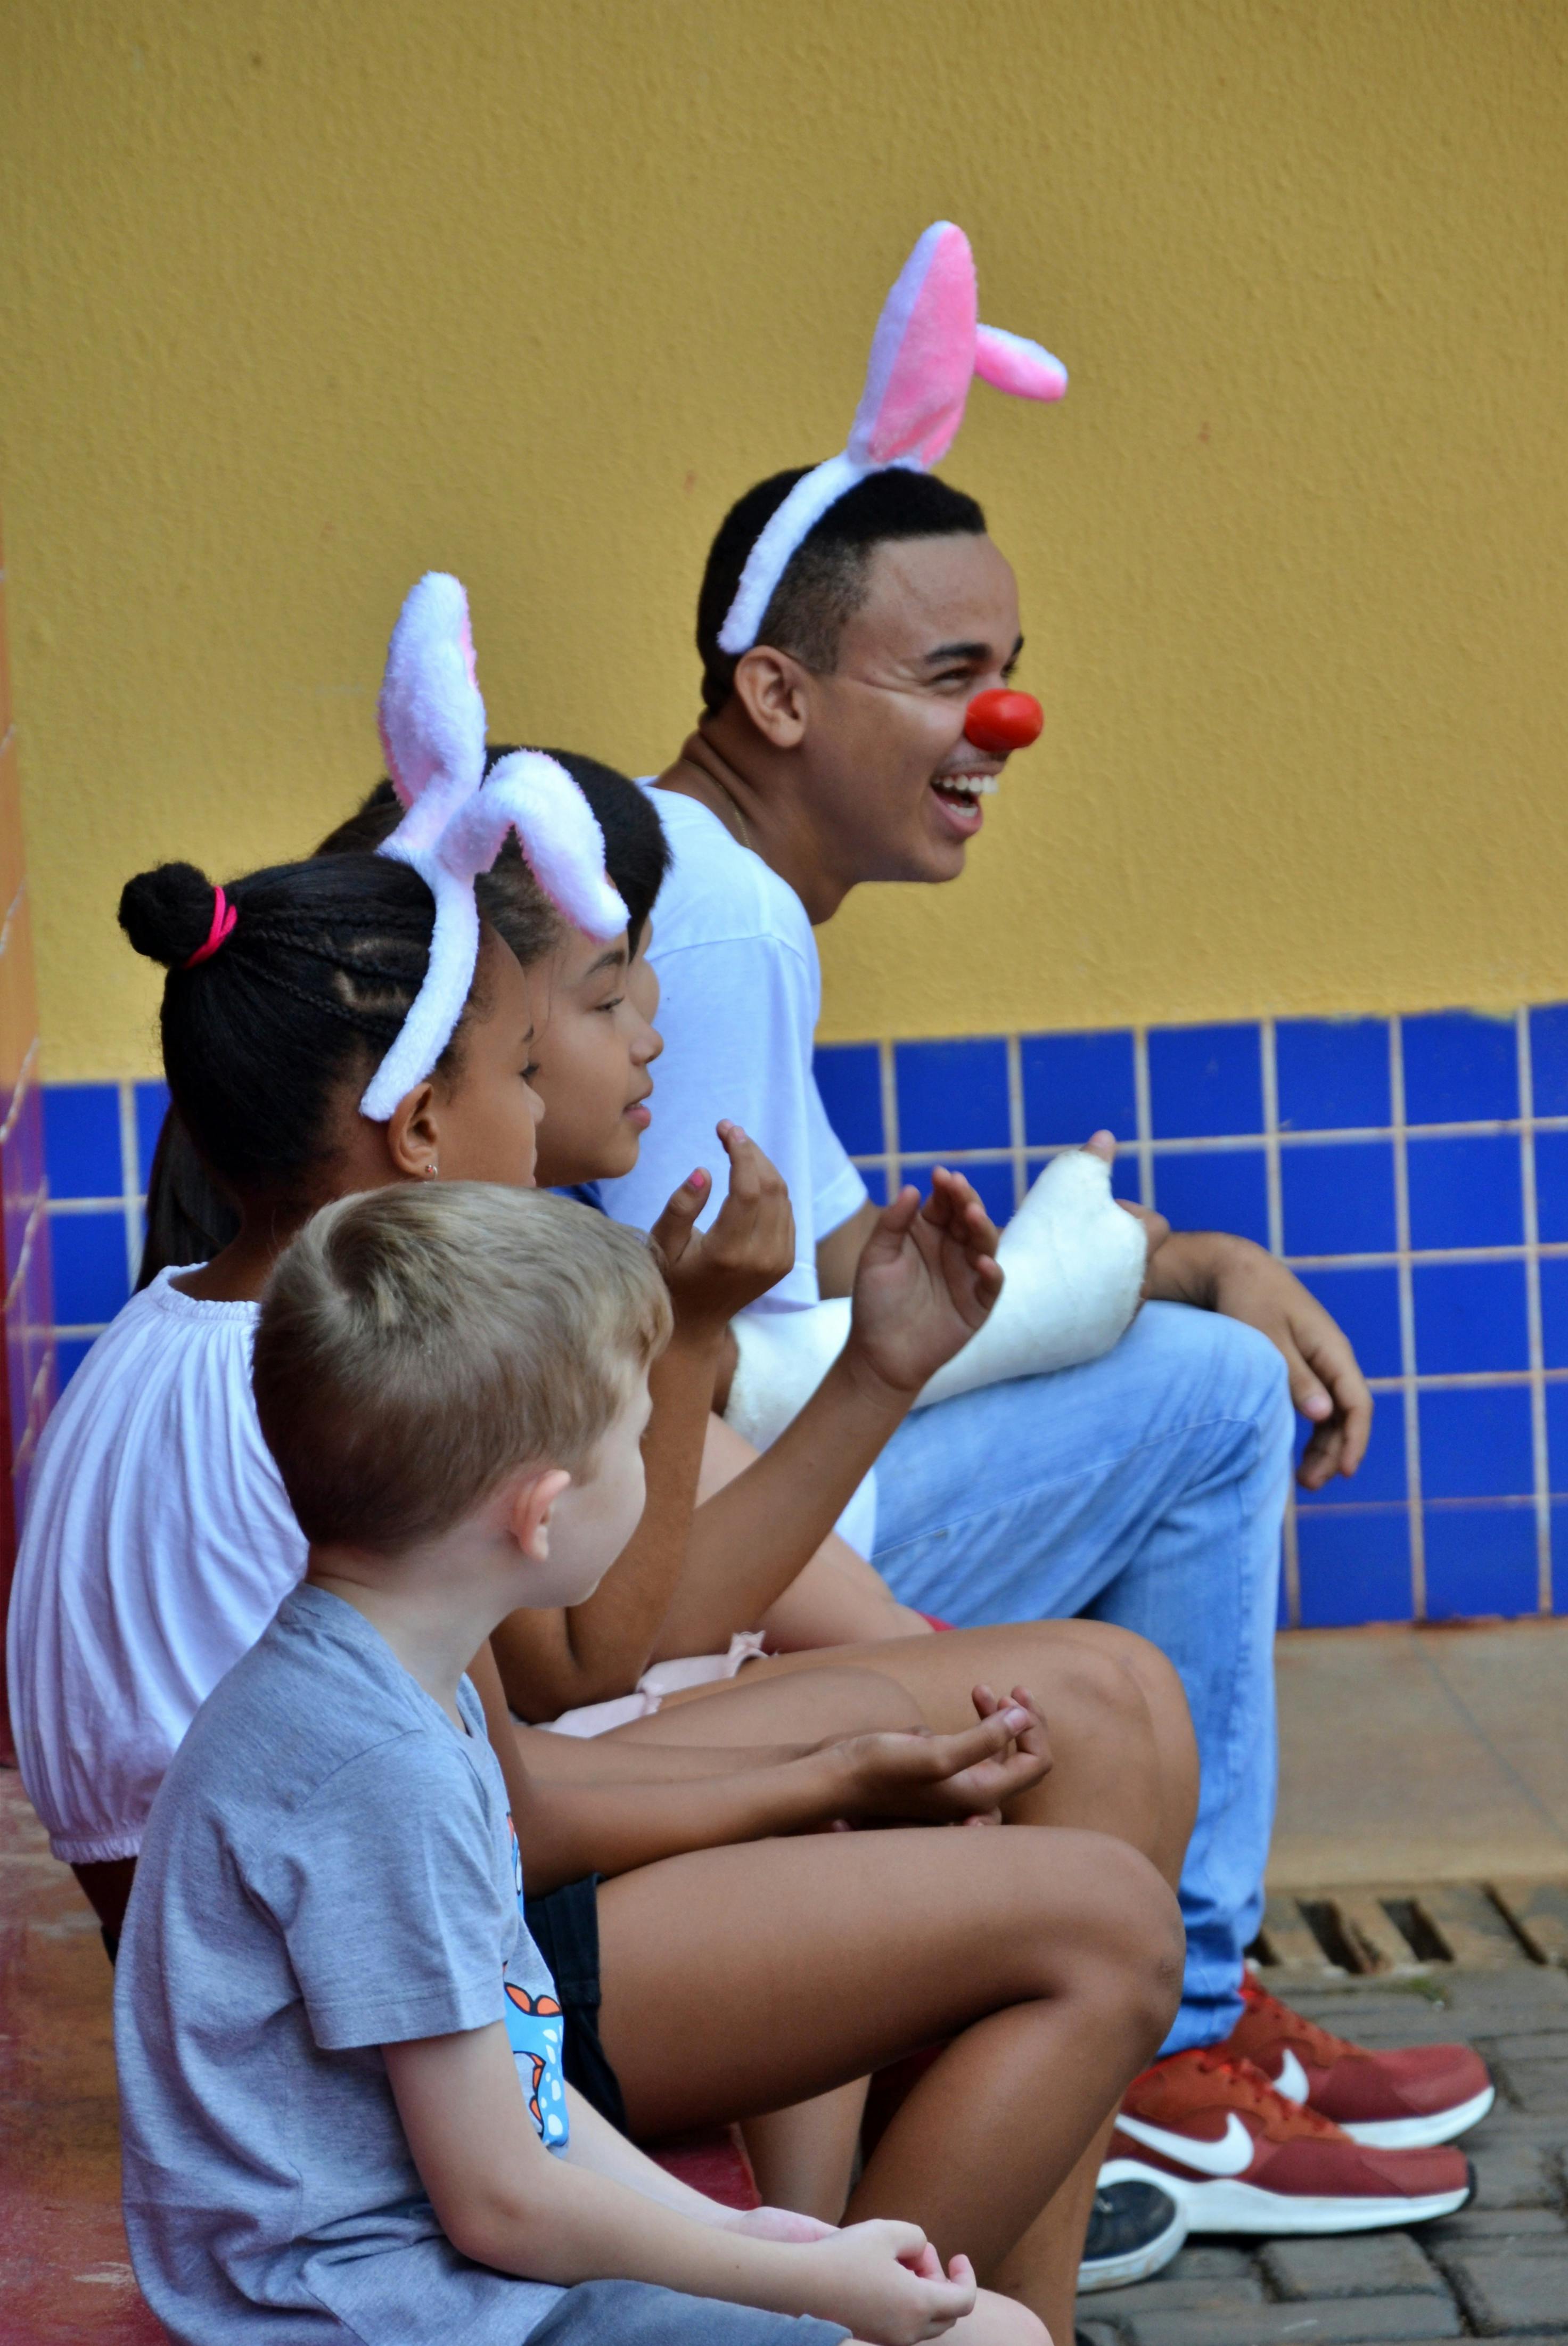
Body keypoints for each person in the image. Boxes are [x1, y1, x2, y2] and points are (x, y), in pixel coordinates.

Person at [7, 814, 1212, 2334]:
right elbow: (565, 1712)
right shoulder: (349, 1399)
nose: (618, 1055)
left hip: (393, 1942)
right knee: (1098, 1907)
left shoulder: (307, 1356)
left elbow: (544, 1703)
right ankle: (886, 2301)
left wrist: (829, 1737)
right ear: (417, 1128)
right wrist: (812, 1769)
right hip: (361, 2004)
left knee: (1092, 1702)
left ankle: (905, 2284)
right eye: (532, 1053)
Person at [593, 303, 1495, 2213]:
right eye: (946, 672)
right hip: (681, 1581)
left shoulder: (728, 889)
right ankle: (1167, 2035)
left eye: (1010, 670)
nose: (1001, 721)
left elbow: (819, 1261)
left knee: (1185, 1353)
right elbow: (723, 1354)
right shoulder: (731, 921)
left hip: (694, 1536)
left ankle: (1168, 2006)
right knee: (1210, 1403)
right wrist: (1146, 1296)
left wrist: (1155, 1255)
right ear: (772, 696)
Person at [115, 1177, 1059, 2346]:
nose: (654, 1462)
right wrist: (801, 2288)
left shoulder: (401, 1677)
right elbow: (503, 2201)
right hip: (376, 2313)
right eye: (633, 1434)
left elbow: (521, 2068)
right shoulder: (377, 1769)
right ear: (543, 1514)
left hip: (430, 2277)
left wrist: (766, 2243)